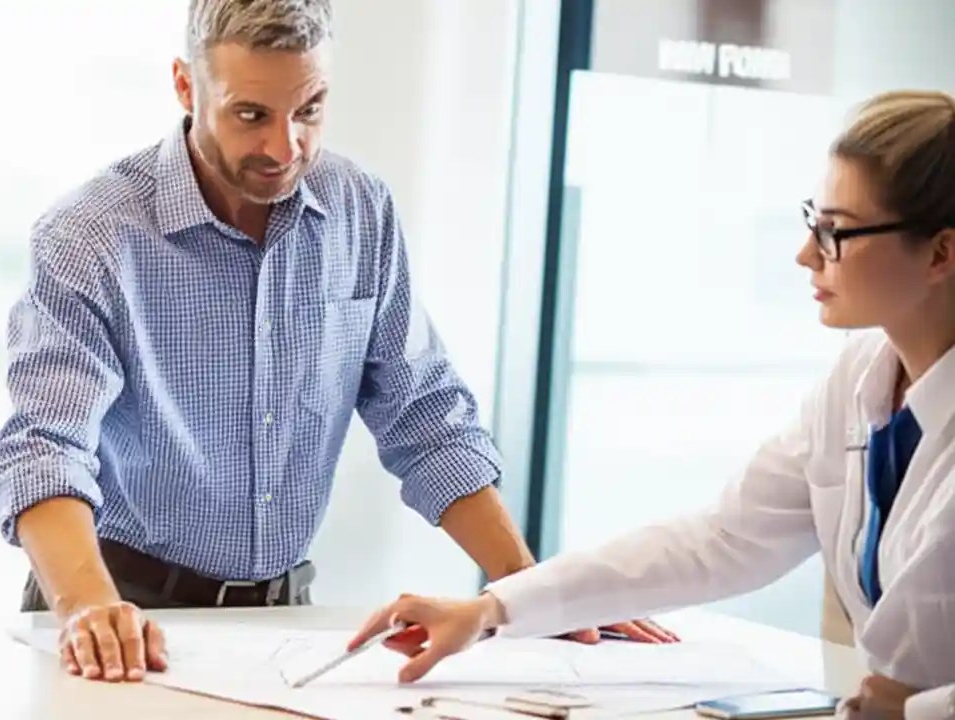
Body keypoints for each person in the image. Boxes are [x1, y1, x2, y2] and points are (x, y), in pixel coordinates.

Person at [0, 0, 670, 685]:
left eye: (309, 110)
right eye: (251, 115)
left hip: (282, 621)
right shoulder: (91, 234)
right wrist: (89, 607)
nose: (285, 149)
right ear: (186, 86)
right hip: (114, 613)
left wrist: (531, 590)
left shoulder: (358, 209)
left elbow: (425, 417)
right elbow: (44, 448)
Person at [349, 89, 955, 719]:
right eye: (813, 221)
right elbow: (721, 539)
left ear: (940, 253)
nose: (806, 253)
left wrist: (911, 712)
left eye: (836, 234)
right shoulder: (858, 380)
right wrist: (492, 609)